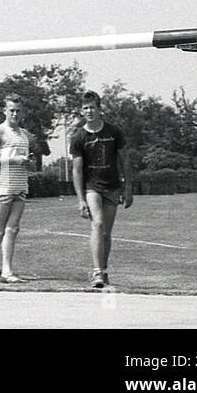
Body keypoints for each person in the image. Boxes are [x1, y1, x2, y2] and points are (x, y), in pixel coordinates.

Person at [70, 91, 133, 289]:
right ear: (82, 111)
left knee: (106, 232)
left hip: (112, 187)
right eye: (86, 108)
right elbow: (77, 170)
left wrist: (128, 189)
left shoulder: (114, 132)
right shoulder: (79, 136)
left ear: (99, 109)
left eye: (93, 107)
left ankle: (103, 270)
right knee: (97, 224)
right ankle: (97, 272)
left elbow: (125, 160)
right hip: (92, 187)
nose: (89, 111)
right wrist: (80, 199)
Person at [0, 95, 32, 284]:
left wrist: (26, 162)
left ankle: (7, 270)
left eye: (18, 110)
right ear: (5, 111)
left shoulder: (24, 134)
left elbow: (21, 158)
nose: (15, 114)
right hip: (3, 186)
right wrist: (12, 160)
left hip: (20, 186)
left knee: (13, 230)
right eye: (11, 110)